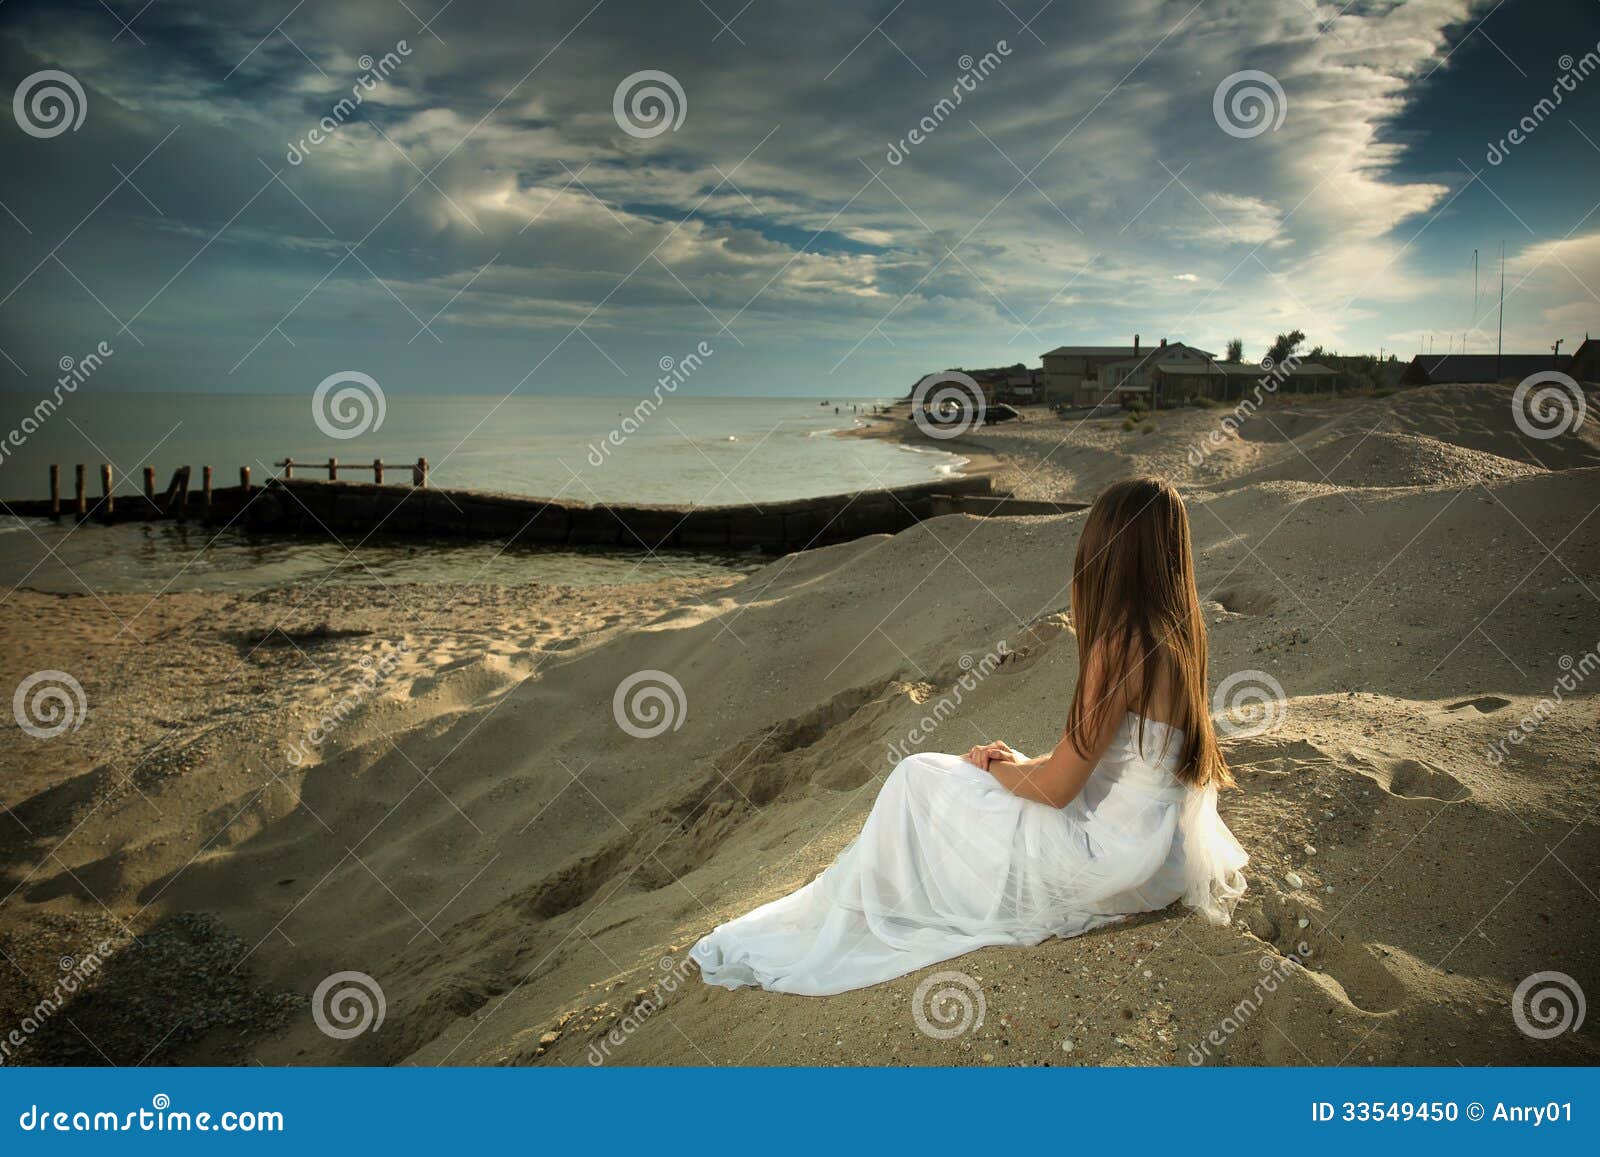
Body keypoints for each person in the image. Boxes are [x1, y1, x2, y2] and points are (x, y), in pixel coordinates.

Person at [691, 477, 1247, 996]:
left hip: (1109, 862)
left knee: (918, 775)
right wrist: (1020, 762)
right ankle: (885, 891)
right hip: (1160, 859)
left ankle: (876, 905)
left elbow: (1058, 792)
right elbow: (1114, 765)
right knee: (964, 781)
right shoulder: (1180, 637)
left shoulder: (1120, 643)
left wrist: (994, 767)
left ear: (1107, 548)